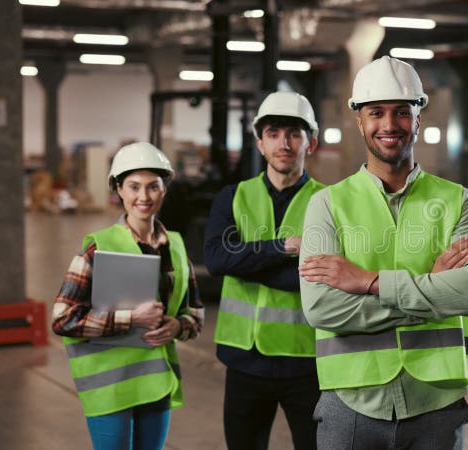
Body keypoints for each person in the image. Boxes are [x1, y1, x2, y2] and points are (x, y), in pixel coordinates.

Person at [298, 55, 468, 450]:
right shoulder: (327, 204)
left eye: (402, 112)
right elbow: (321, 308)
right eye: (377, 113)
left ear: (418, 118)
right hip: (351, 400)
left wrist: (369, 282)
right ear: (360, 121)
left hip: (435, 402)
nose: (389, 125)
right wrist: (433, 293)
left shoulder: (457, 201)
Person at [52, 142, 204, 450]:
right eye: (133, 187)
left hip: (156, 381)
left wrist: (177, 326)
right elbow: (62, 319)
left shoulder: (175, 246)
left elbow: (196, 313)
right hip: (110, 388)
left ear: (164, 190)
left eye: (153, 187)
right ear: (119, 190)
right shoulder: (98, 247)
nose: (143, 197)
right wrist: (130, 319)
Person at [203, 91, 324, 450]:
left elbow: (322, 277)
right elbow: (216, 260)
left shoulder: (330, 203)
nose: (283, 143)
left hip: (305, 361)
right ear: (259, 142)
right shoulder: (233, 196)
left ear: (311, 143)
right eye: (273, 133)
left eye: (294, 134)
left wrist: (245, 263)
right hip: (243, 359)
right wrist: (284, 247)